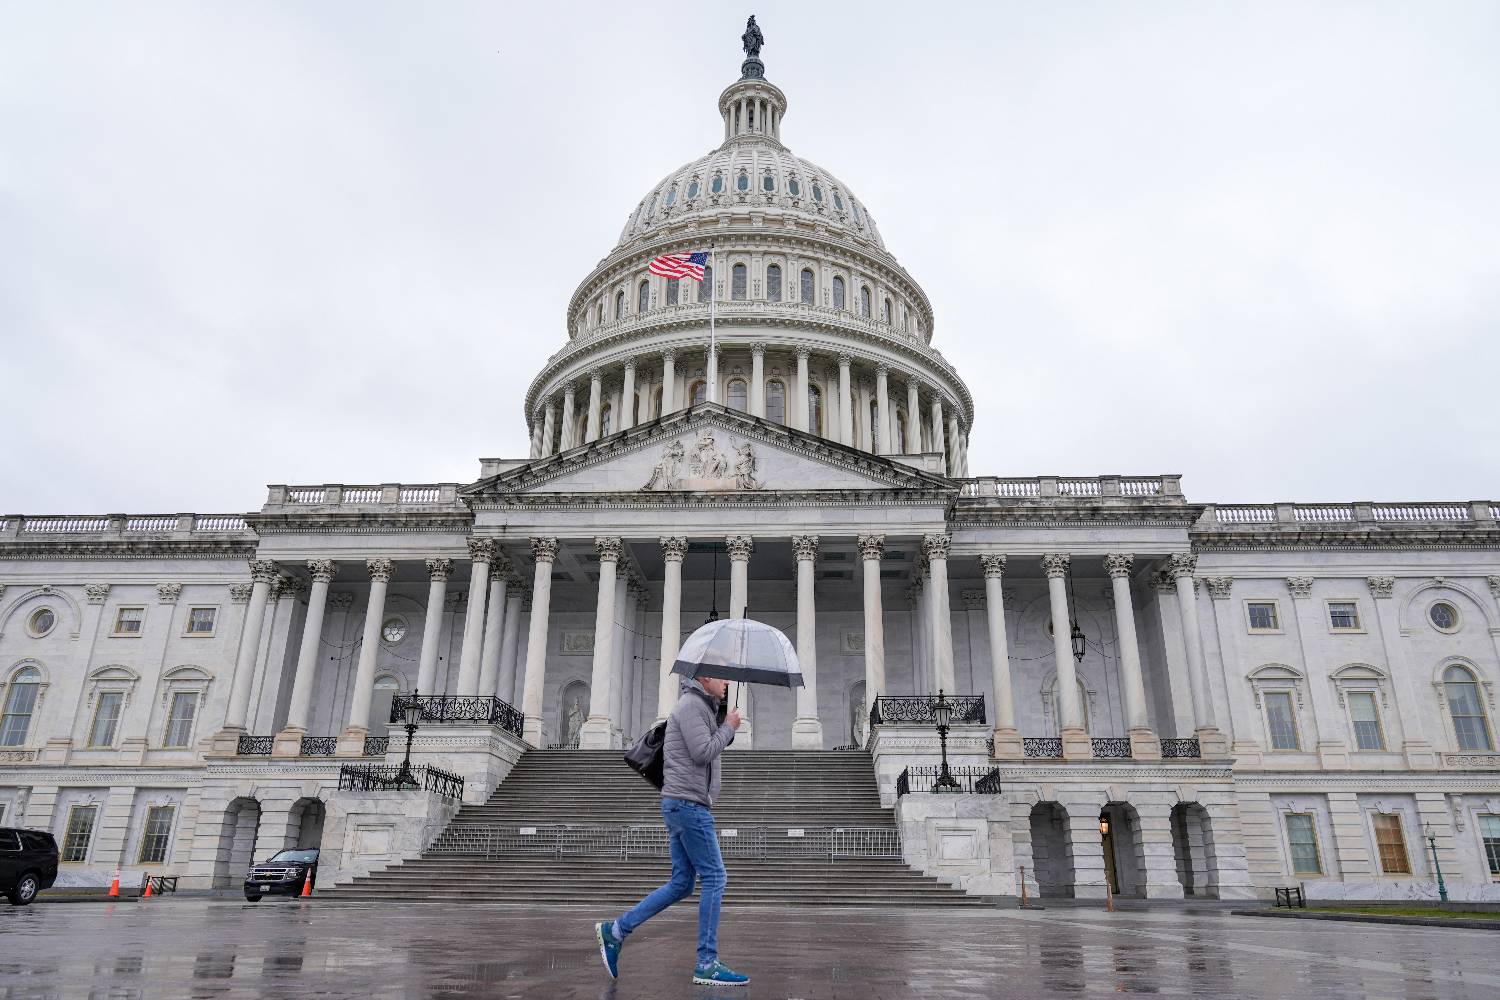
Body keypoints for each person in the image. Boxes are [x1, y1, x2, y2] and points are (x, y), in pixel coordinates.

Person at [595, 673, 749, 986]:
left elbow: (705, 749)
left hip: (683, 803)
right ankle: (706, 962)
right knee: (716, 877)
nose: (727, 682)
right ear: (704, 677)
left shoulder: (702, 707)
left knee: (682, 884)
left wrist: (725, 729)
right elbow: (702, 752)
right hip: (688, 804)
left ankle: (615, 931)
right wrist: (728, 728)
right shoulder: (692, 705)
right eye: (721, 676)